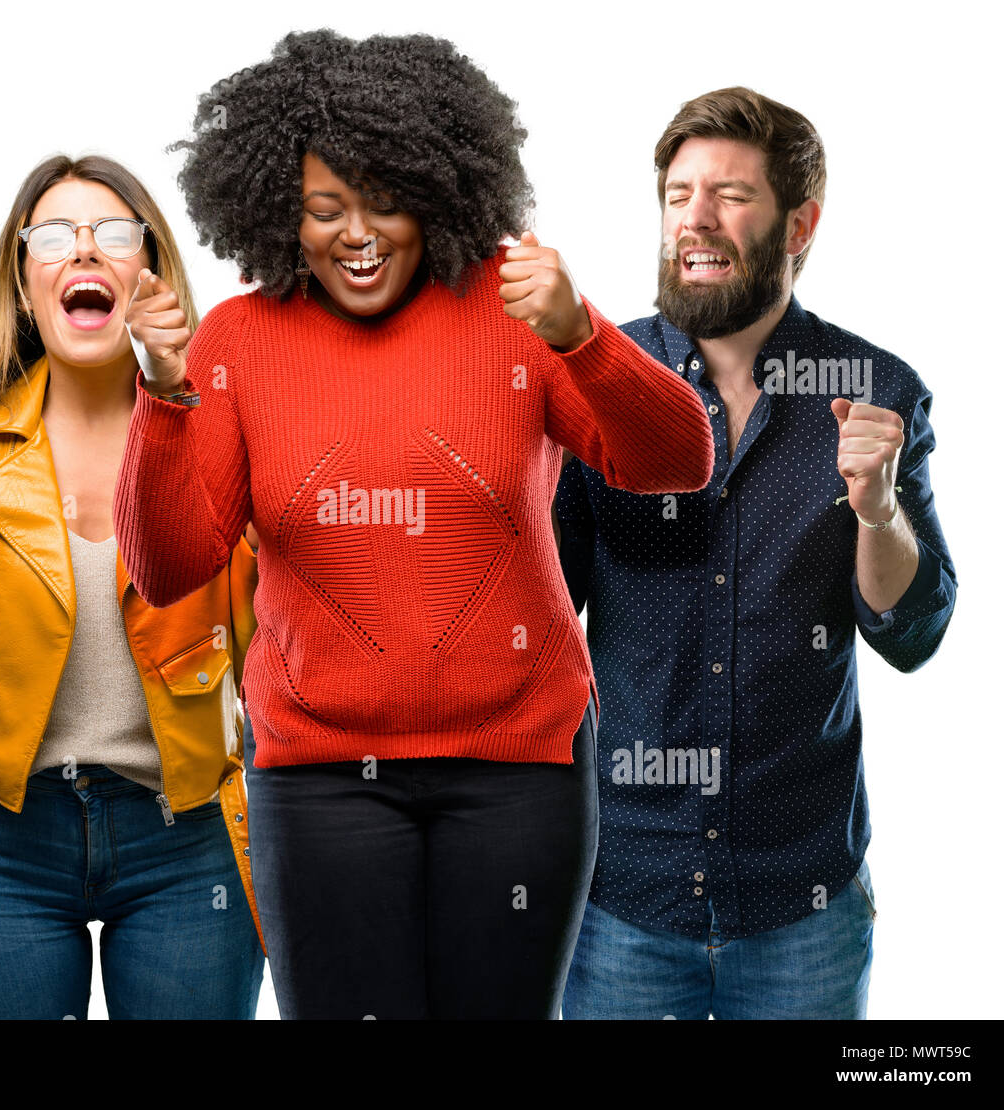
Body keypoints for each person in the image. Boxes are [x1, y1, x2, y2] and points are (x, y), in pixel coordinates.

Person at [113, 30, 715, 1019]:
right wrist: (167, 396)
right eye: (324, 207)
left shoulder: (517, 307)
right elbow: (172, 564)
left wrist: (580, 335)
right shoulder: (238, 340)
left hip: (518, 772)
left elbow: (677, 462)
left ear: (437, 192)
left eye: (386, 200)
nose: (358, 232)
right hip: (319, 784)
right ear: (276, 211)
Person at [556, 87, 957, 1020]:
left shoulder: (876, 390)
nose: (694, 220)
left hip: (802, 909)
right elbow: (537, 606)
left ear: (800, 222)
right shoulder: (597, 383)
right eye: (677, 194)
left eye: (729, 196)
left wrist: (876, 507)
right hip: (625, 900)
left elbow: (914, 631)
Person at [0, 154, 264, 1019]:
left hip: (185, 838)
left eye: (113, 234)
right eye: (54, 236)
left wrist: (181, 398)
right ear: (23, 284)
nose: (84, 251)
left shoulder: (217, 432)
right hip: (3, 842)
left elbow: (269, 651)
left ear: (147, 276)